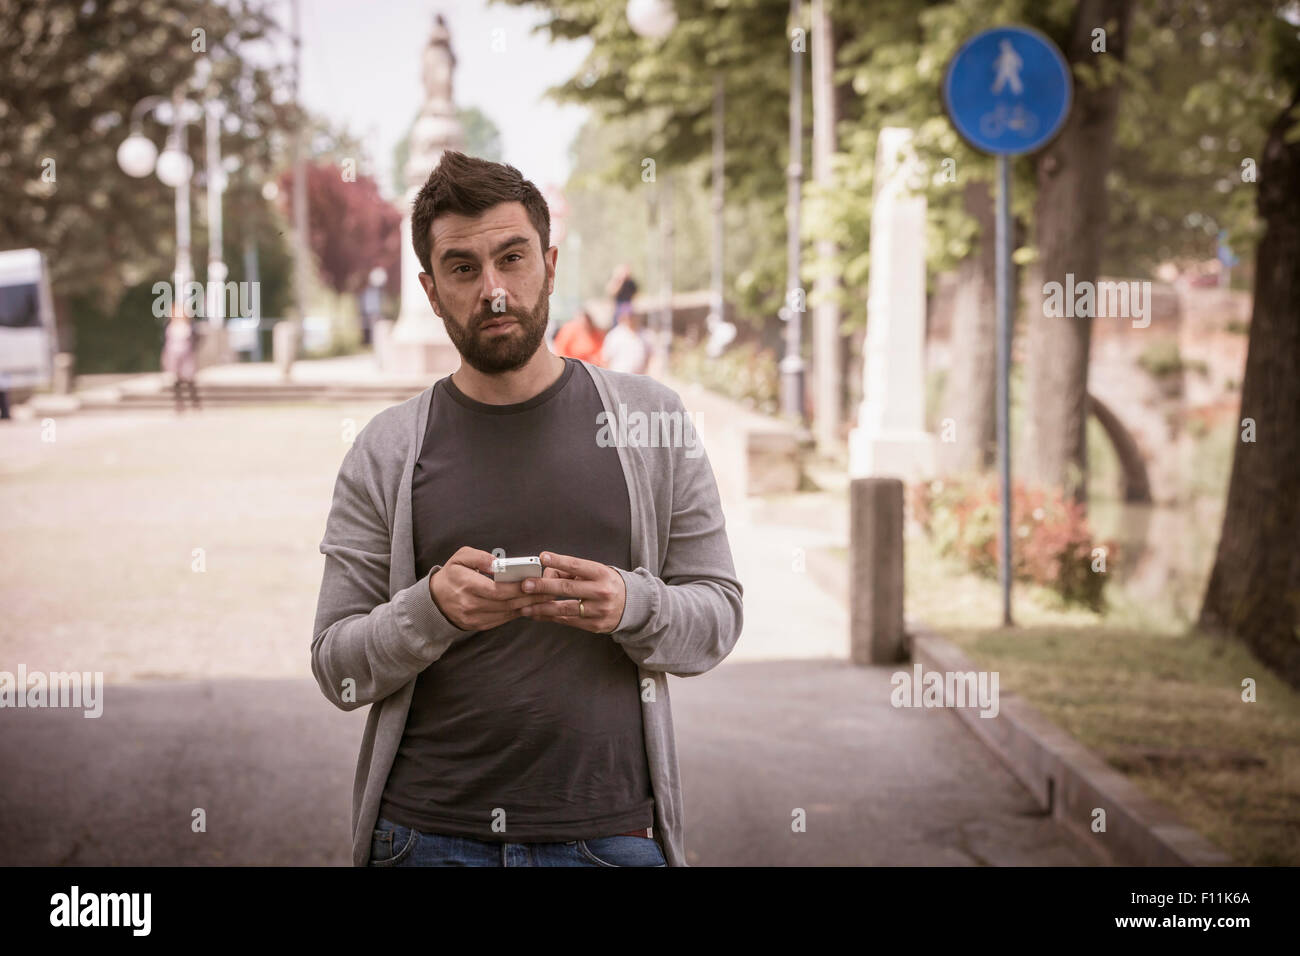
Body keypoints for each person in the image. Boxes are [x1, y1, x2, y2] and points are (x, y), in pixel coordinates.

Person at [311, 150, 742, 868]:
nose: (494, 290)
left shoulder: (651, 421)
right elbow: (337, 668)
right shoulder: (384, 450)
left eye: (512, 258)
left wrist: (629, 604)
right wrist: (430, 611)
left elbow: (718, 617)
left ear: (549, 263)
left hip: (611, 837)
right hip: (423, 839)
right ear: (430, 291)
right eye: (462, 269)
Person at [161, 304, 200, 413]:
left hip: (186, 354)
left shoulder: (188, 326)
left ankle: (195, 402)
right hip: (173, 354)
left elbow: (195, 339)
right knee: (176, 380)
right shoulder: (169, 325)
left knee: (189, 380)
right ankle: (179, 404)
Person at [600, 309, 653, 375]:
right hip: (618, 377)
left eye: (632, 316)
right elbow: (606, 360)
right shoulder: (614, 335)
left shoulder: (646, 334)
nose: (631, 319)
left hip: (638, 377)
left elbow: (650, 357)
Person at [605, 263, 637, 329]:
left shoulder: (630, 282)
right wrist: (620, 281)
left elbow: (635, 293)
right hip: (618, 308)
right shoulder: (616, 281)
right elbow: (611, 292)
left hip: (628, 308)